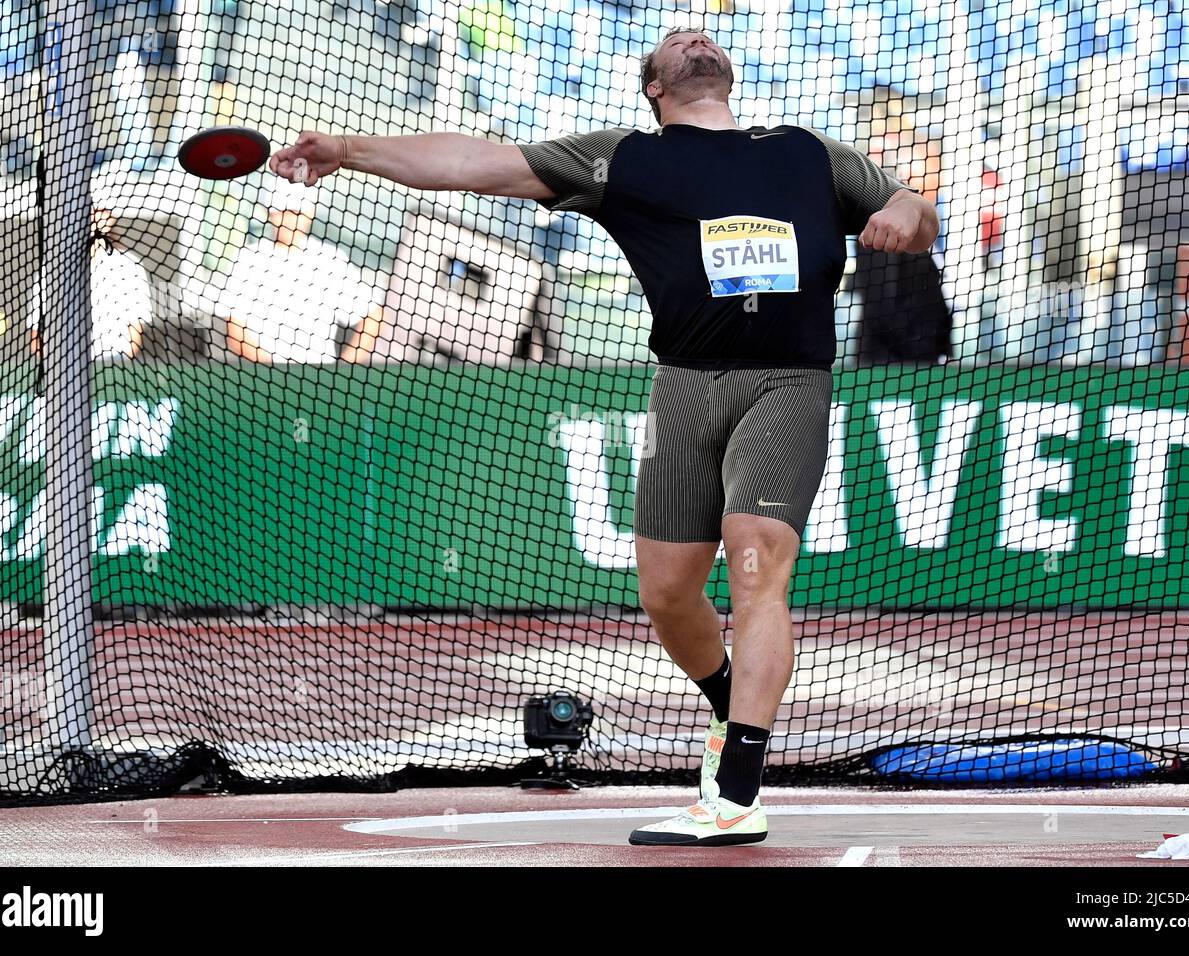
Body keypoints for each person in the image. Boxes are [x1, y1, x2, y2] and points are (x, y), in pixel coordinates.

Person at [269, 26, 938, 846]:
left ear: (726, 72)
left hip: (787, 381)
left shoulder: (809, 153)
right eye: (675, 41)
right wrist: (347, 151)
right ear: (655, 87)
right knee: (666, 592)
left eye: (702, 35)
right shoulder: (620, 158)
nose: (693, 37)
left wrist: (904, 211)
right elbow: (476, 163)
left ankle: (736, 792)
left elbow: (917, 213)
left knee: (758, 562)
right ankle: (731, 704)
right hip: (684, 386)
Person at [219, 176, 381, 364]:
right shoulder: (247, 259)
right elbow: (235, 330)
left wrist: (344, 369)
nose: (289, 220)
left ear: (310, 212)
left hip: (322, 376)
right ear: (268, 213)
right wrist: (273, 372)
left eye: (296, 212)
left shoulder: (331, 259)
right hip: (263, 376)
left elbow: (373, 316)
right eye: (281, 212)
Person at [850, 110, 952, 365]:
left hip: (918, 357)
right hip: (890, 363)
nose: (938, 173)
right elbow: (880, 301)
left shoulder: (918, 223)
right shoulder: (884, 222)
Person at [29, 205, 153, 361]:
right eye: (94, 211)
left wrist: (127, 357)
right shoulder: (53, 266)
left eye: (104, 211)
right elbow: (37, 329)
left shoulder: (129, 264)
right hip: (66, 361)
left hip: (115, 359)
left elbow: (136, 323)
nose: (99, 216)